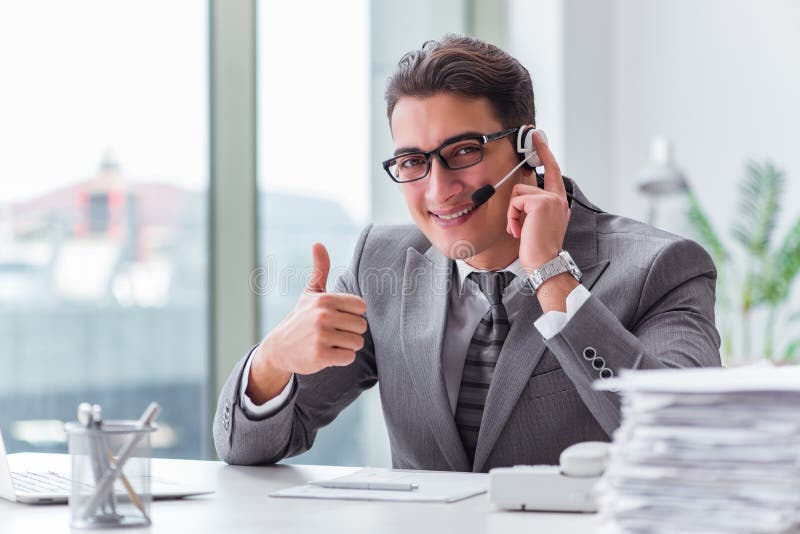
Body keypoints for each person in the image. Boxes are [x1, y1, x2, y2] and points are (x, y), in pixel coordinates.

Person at [213, 35, 721, 473]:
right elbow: (243, 447)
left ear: (529, 149)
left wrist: (552, 277)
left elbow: (690, 443)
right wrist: (273, 360)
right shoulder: (380, 266)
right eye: (413, 161)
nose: (439, 190)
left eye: (463, 151)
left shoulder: (662, 268)